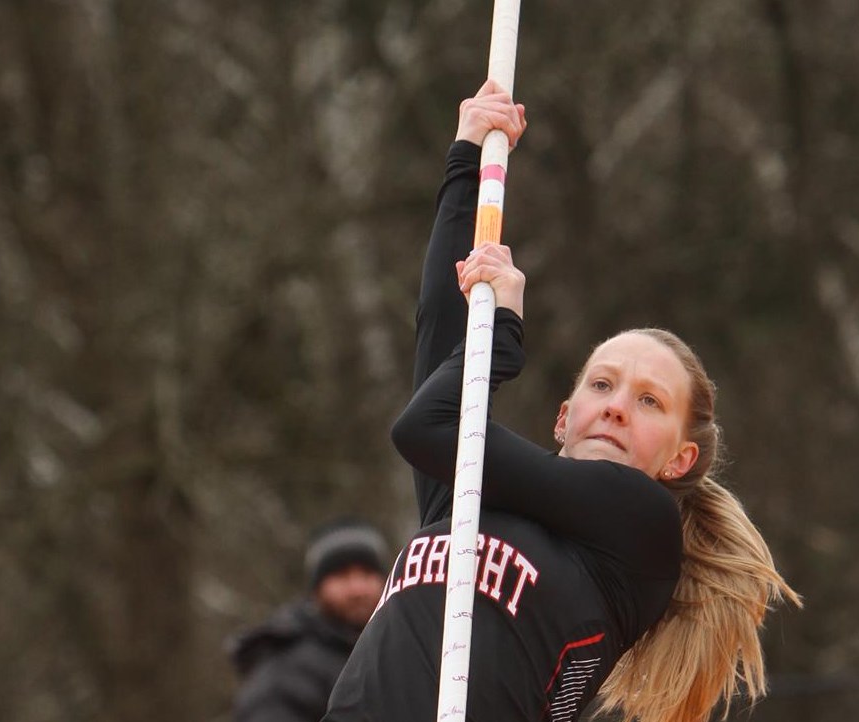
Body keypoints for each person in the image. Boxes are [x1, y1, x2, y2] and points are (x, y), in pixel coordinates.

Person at [323, 81, 801, 722]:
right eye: (601, 385)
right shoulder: (468, 498)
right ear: (563, 417)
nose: (616, 406)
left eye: (650, 401)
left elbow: (425, 426)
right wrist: (468, 159)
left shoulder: (638, 527)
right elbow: (441, 332)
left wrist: (504, 334)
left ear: (680, 460)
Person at [229, 518, 389, 722]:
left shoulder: (399, 647)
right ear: (317, 588)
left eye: (366, 574)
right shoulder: (284, 671)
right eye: (342, 576)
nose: (357, 589)